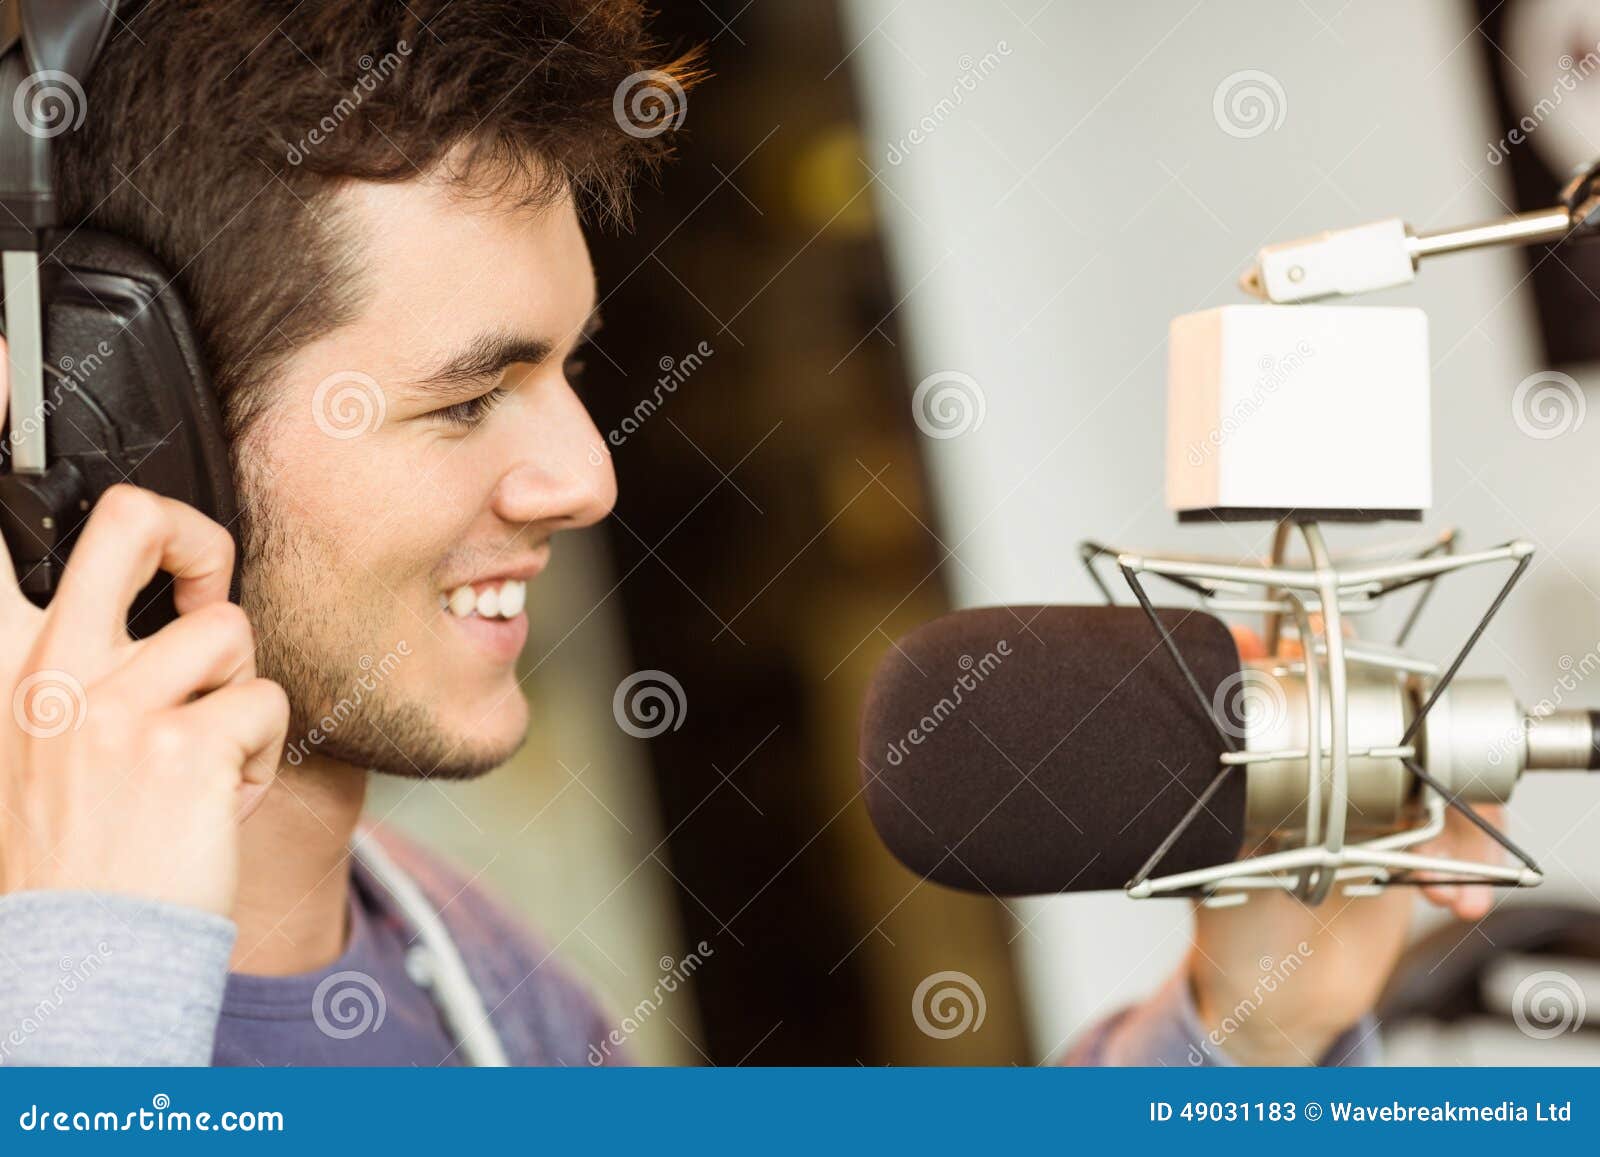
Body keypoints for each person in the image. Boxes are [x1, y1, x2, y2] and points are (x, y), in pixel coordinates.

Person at [0, 0, 697, 1066]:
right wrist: (92, 988)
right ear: (123, 433)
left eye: (572, 366)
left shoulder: (515, 1006)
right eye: (467, 399)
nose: (587, 481)